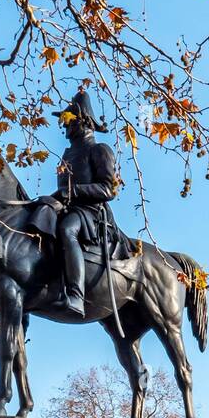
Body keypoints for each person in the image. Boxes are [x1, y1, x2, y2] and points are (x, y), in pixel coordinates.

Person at [54, 86, 131, 315]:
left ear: (82, 121)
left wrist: (73, 192)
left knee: (67, 230)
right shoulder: (66, 155)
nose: (65, 125)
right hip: (67, 207)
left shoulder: (99, 150)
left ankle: (76, 295)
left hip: (90, 213)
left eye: (68, 120)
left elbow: (109, 189)